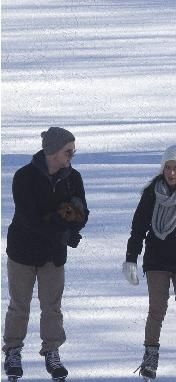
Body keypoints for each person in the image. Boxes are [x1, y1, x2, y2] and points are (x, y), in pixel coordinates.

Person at [3, 128, 88, 382]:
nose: (72, 155)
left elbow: (82, 211)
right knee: (19, 305)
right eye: (68, 151)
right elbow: (29, 219)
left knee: (52, 306)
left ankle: (52, 351)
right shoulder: (24, 177)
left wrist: (73, 224)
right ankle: (13, 351)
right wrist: (62, 232)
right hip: (22, 252)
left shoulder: (73, 178)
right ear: (53, 151)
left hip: (53, 255)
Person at [122, 145, 176, 382]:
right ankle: (150, 357)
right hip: (157, 258)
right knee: (157, 309)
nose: (171, 173)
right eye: (168, 168)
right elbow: (138, 228)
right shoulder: (151, 194)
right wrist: (131, 258)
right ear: (162, 169)